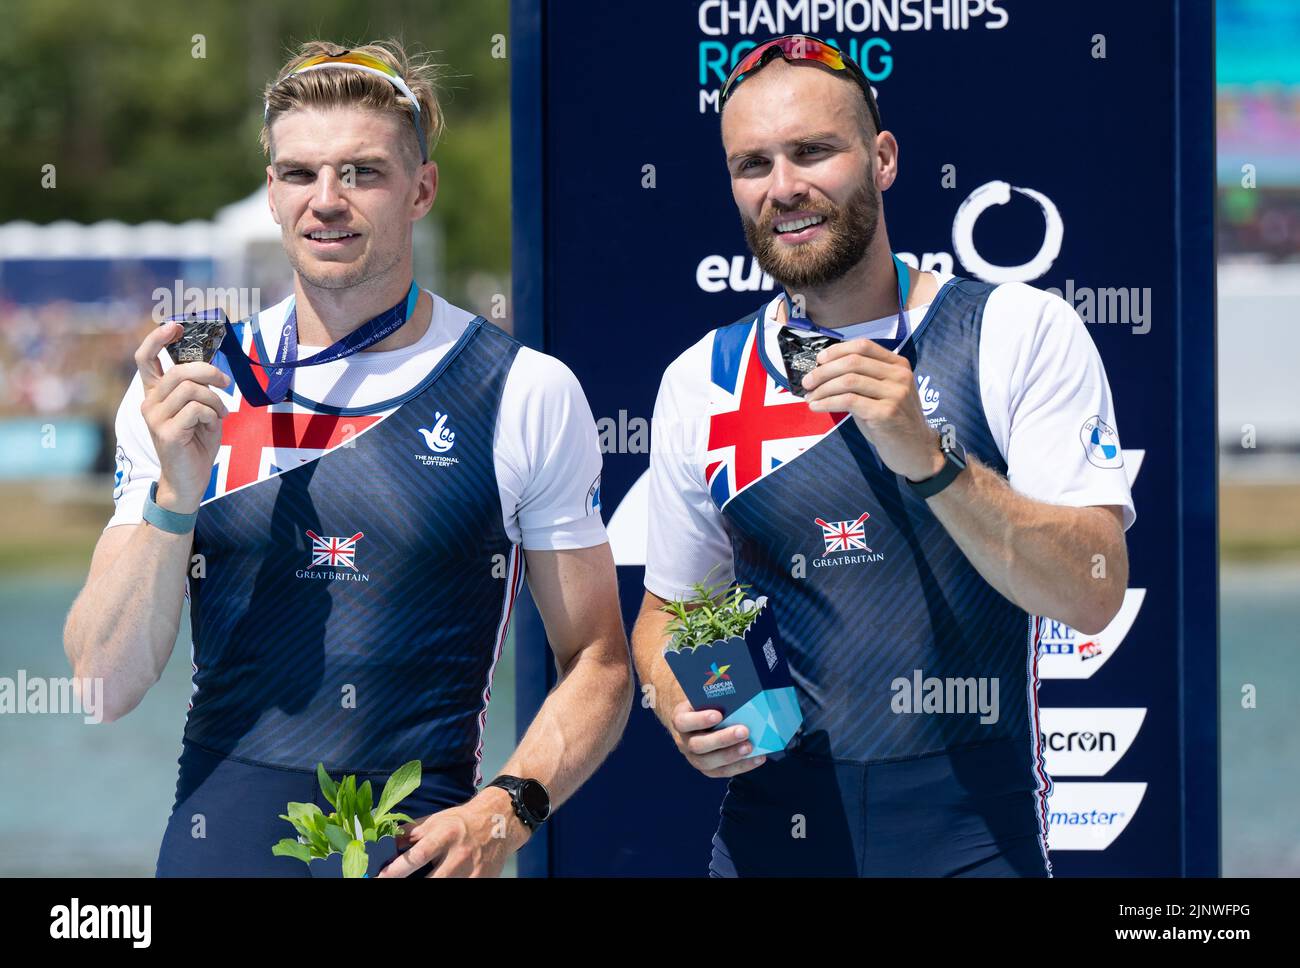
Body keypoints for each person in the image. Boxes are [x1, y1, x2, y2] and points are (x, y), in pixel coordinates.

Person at [63, 40, 631, 877]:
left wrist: (507, 812)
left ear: (421, 190)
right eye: (299, 174)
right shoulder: (192, 384)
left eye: (362, 172)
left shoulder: (525, 390)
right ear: (271, 191)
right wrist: (173, 499)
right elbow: (102, 690)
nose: (326, 201)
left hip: (420, 855)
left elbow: (601, 662)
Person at [631, 35, 1135, 877]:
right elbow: (667, 614)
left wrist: (933, 460)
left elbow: (1092, 593)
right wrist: (676, 699)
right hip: (768, 842)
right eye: (752, 164)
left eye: (813, 152)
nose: (783, 188)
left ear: (883, 157)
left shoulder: (1016, 331)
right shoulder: (702, 379)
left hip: (973, 841)